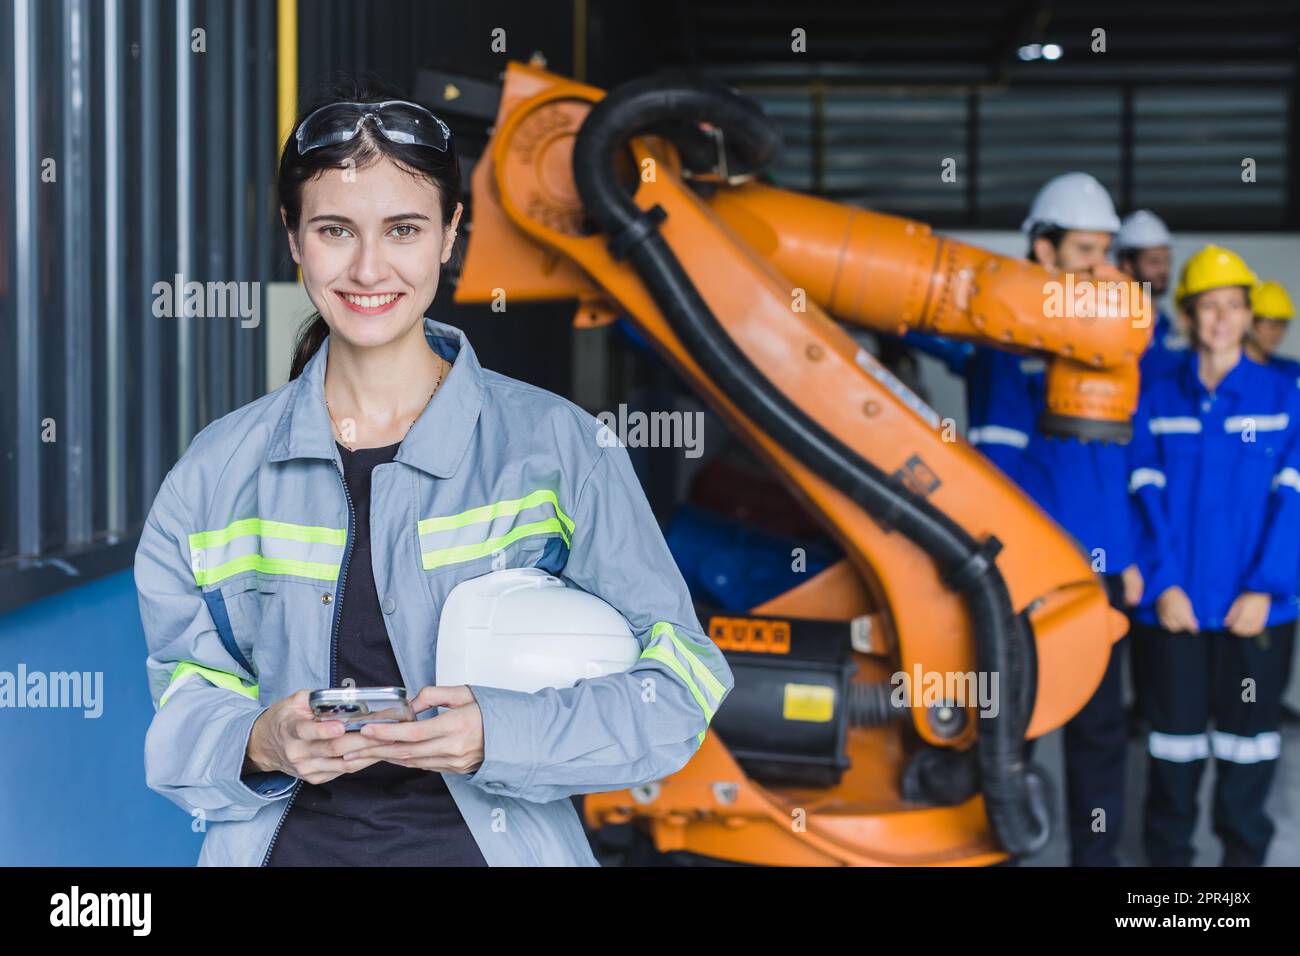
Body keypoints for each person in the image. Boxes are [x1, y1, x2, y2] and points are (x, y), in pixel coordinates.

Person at [135, 77, 734, 867]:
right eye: (335, 230)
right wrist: (260, 739)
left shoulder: (556, 449)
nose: (369, 266)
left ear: (451, 235)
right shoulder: (214, 475)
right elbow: (180, 702)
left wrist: (500, 732)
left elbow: (681, 687)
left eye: (405, 228)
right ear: (293, 238)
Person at [966, 171, 1141, 866]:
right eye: (1085, 252)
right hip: (1027, 576)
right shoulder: (1005, 340)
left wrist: (1128, 558)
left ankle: (1094, 864)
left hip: (1099, 576)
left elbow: (1130, 460)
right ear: (1044, 250)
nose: (1101, 267)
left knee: (1100, 735)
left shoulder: (1119, 342)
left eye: (1105, 251)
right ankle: (999, 855)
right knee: (1014, 732)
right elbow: (994, 469)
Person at [1128, 245, 1300, 866]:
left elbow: (1295, 500)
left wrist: (1266, 588)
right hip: (1174, 611)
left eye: (1233, 306)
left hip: (1254, 615)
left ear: (1249, 315)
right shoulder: (1154, 395)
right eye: (1208, 307)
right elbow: (1138, 493)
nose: (1221, 319)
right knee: (1171, 755)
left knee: (1247, 753)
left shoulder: (1284, 398)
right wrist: (1161, 584)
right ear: (1189, 315)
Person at [1114, 209, 1185, 378]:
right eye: (1154, 261)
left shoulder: (1168, 325)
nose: (1164, 270)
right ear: (1127, 265)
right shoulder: (1109, 320)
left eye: (1166, 261)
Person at [1246, 280, 1300, 384]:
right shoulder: (1225, 371)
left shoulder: (1291, 371)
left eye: (1283, 325)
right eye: (1272, 325)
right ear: (1250, 322)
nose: (1278, 333)